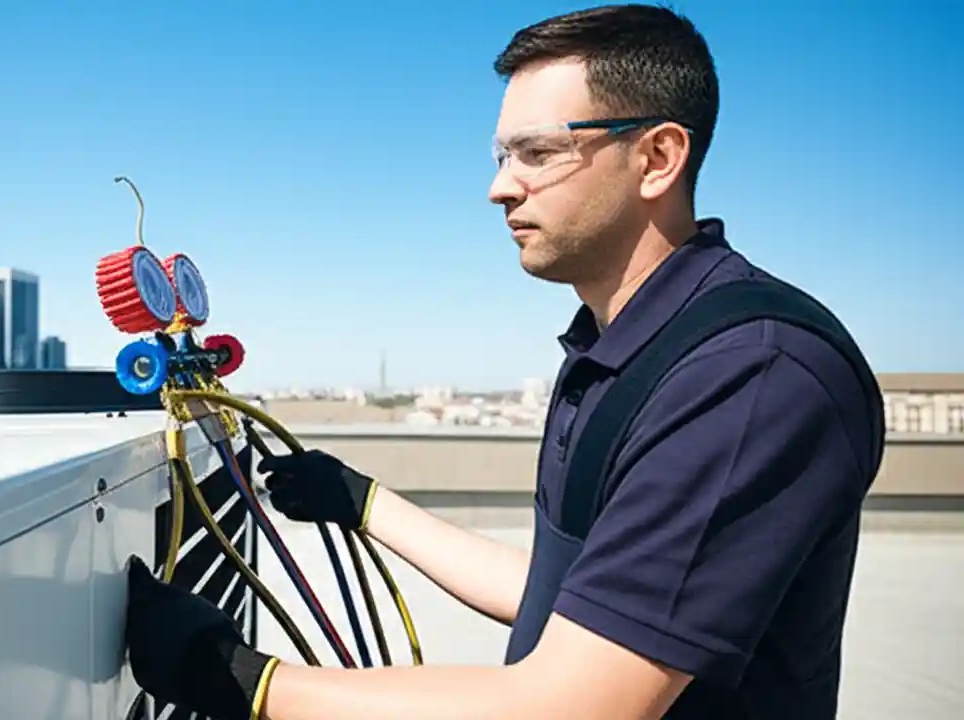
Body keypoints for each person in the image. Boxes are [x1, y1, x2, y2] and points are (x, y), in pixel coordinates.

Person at [124, 3, 885, 719]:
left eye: (538, 152)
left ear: (657, 156)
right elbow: (575, 602)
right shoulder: (617, 346)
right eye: (500, 155)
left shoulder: (749, 375)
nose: (498, 187)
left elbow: (573, 703)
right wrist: (362, 502)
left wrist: (239, 679)